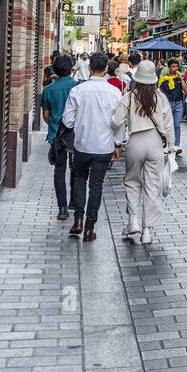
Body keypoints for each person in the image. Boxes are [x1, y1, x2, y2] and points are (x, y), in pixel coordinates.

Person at [111, 60, 176, 245]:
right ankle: (147, 230)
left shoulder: (129, 97)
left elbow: (116, 122)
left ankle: (133, 221)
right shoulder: (161, 97)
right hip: (155, 143)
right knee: (152, 186)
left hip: (135, 142)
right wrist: (171, 145)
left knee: (132, 182)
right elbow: (169, 124)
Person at [61, 54, 124, 241]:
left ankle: (78, 219)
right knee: (96, 186)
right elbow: (119, 122)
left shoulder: (78, 90)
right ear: (106, 69)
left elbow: (68, 120)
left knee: (80, 180)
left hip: (82, 144)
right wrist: (118, 144)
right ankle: (89, 228)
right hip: (104, 146)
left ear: (89, 69)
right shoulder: (114, 92)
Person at [41, 55, 79, 221]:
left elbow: (46, 115)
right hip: (75, 134)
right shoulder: (78, 87)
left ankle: (62, 207)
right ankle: (73, 201)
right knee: (76, 168)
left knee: (59, 169)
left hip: (56, 134)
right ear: (71, 69)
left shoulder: (49, 89)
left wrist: (55, 125)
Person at [158, 58, 185, 153]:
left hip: (178, 103)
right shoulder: (164, 79)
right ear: (169, 67)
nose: (175, 68)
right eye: (173, 66)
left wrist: (181, 79)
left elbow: (185, 90)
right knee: (167, 125)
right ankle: (168, 145)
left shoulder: (180, 78)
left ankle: (176, 145)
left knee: (177, 125)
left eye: (177, 66)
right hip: (168, 104)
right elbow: (160, 92)